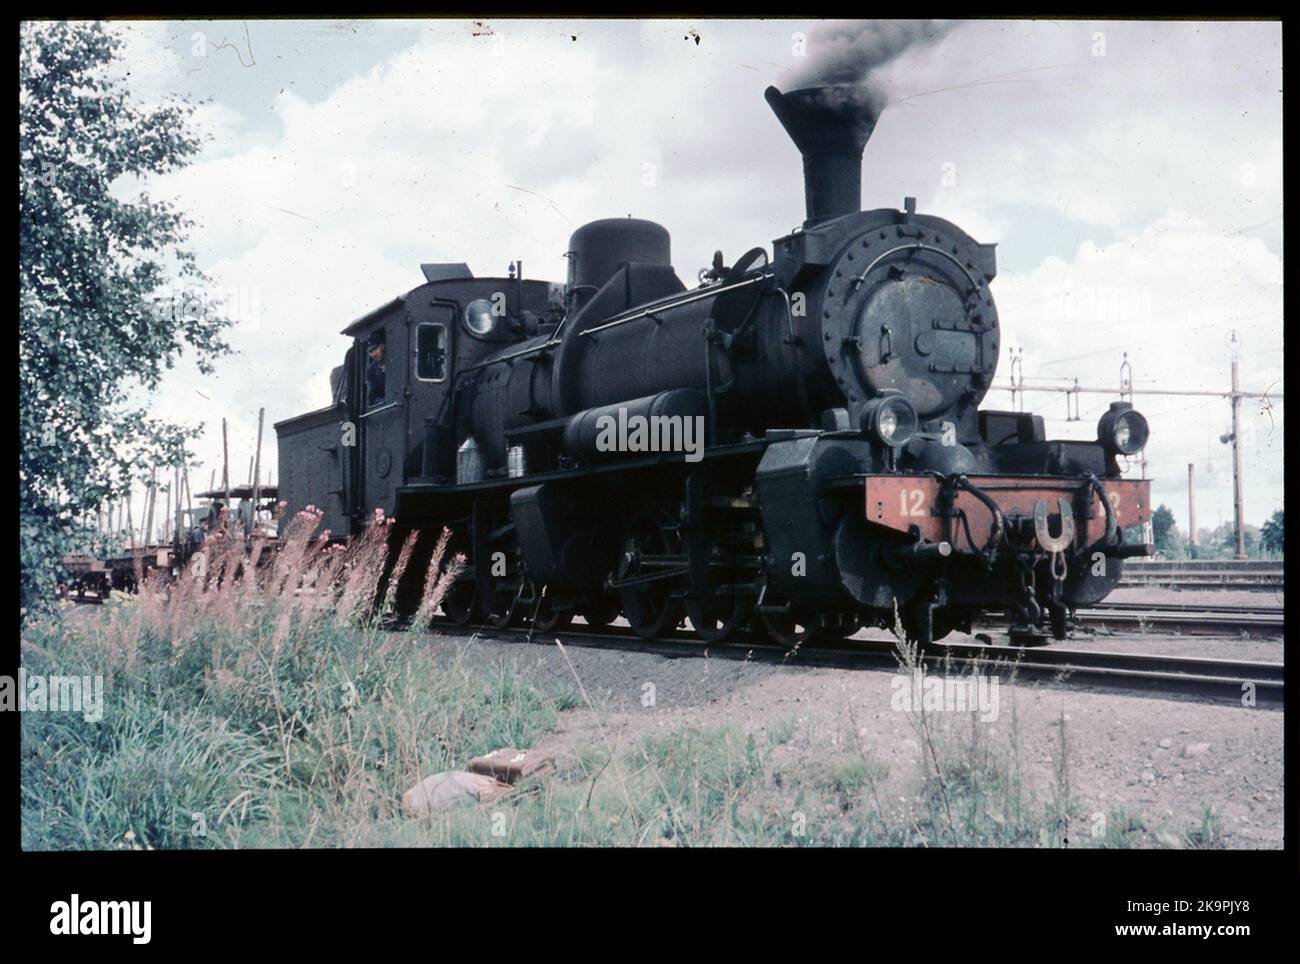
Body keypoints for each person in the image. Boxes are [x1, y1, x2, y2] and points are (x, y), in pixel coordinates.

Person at [366, 330, 386, 407]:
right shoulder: (371, 371)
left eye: (375, 349)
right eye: (370, 351)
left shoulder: (395, 360)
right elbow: (373, 397)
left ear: (382, 346)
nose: (374, 354)